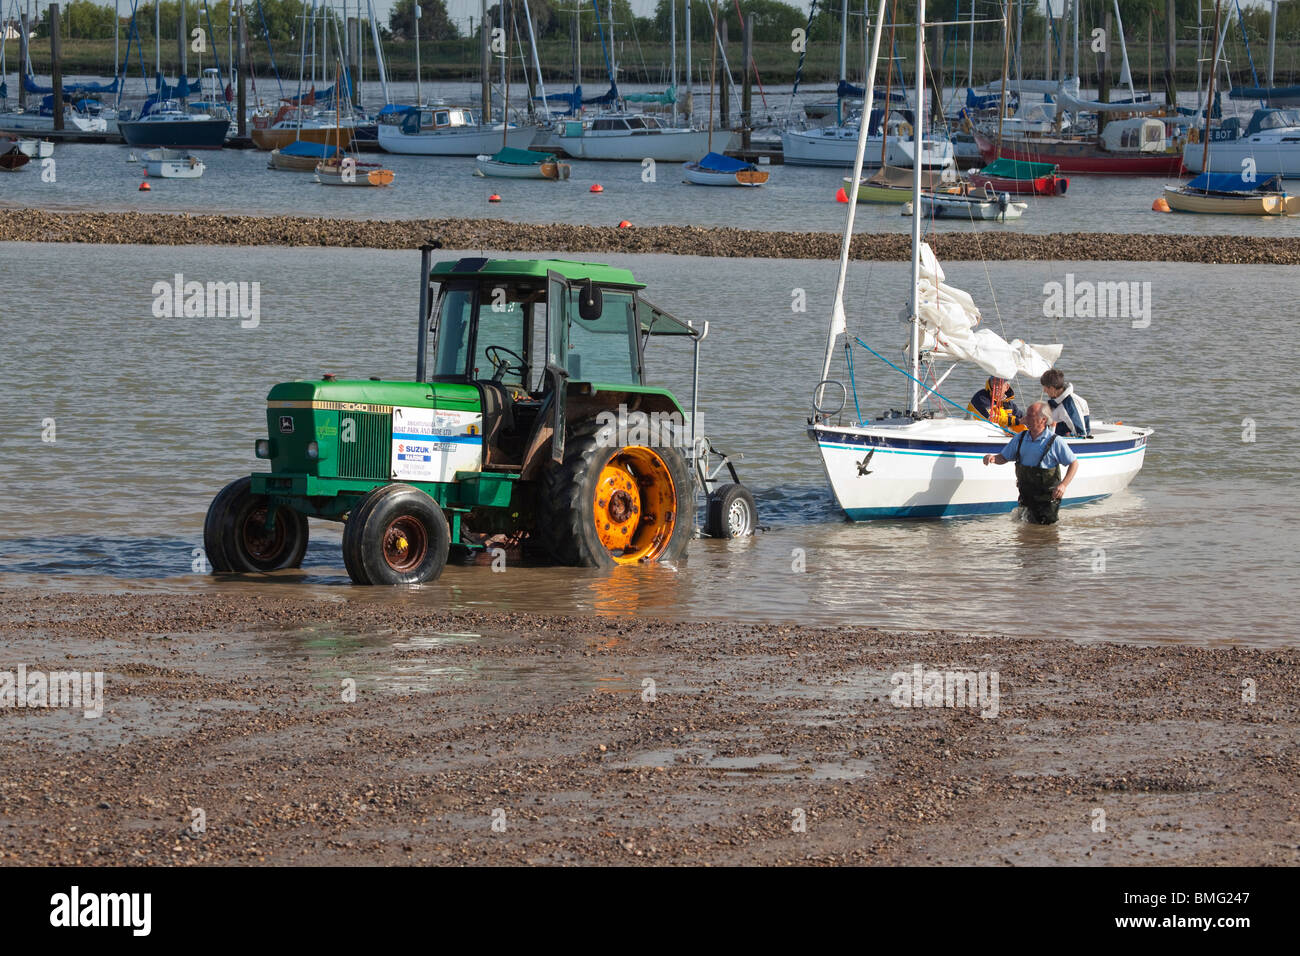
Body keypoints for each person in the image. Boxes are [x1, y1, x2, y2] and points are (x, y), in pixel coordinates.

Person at [982, 401, 1078, 524]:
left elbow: (1074, 463)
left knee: (1046, 533)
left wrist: (1063, 485)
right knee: (1025, 533)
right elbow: (1004, 457)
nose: (1025, 419)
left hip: (1047, 500)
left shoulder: (1055, 441)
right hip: (1025, 496)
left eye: (1030, 416)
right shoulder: (1020, 438)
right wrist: (993, 458)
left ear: (1043, 420)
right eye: (1026, 415)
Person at [1039, 368, 1091, 438]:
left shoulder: (1069, 405)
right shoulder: (1058, 399)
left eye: (1045, 388)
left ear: (1052, 388)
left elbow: (1081, 434)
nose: (1044, 391)